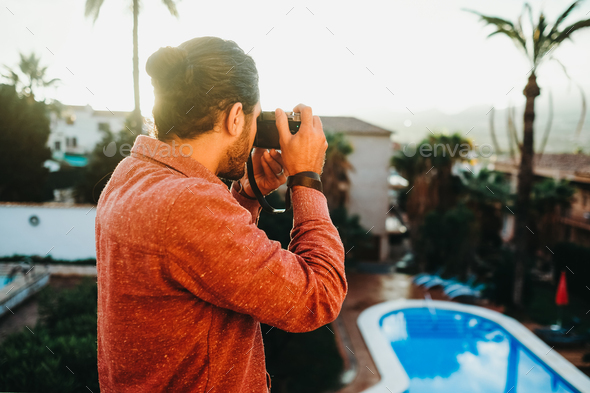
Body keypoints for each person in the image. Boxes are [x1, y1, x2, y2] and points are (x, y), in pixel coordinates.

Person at [95, 36, 347, 393]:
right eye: (254, 119)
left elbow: (203, 264)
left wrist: (247, 193)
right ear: (234, 118)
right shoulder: (186, 205)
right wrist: (306, 178)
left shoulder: (131, 174)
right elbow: (319, 295)